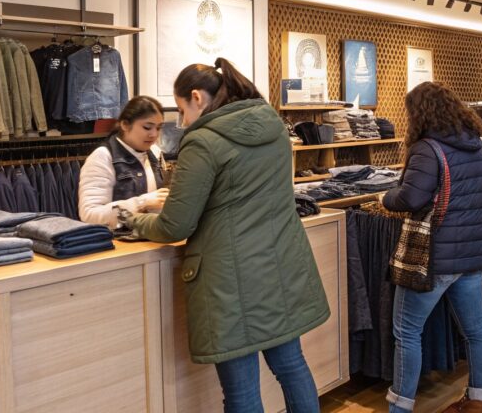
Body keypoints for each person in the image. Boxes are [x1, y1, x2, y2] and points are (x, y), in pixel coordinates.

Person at [123, 58, 329, 412]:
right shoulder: (275, 127)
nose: (182, 121)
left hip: (230, 283)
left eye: (182, 110)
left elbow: (175, 225)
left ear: (196, 98)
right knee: (292, 367)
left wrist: (134, 222)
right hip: (281, 266)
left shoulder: (202, 141)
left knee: (242, 391)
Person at [383, 82, 482, 413]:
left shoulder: (427, 148)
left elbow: (410, 198)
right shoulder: (473, 143)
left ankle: (400, 409)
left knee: (407, 333)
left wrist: (384, 197)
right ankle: (479, 401)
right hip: (471, 256)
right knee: (476, 330)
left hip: (435, 256)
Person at [78, 95, 169, 228]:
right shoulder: (102, 157)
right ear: (125, 125)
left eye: (159, 128)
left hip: (150, 237)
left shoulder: (154, 152)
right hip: (119, 244)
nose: (154, 134)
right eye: (147, 127)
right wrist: (141, 202)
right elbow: (89, 215)